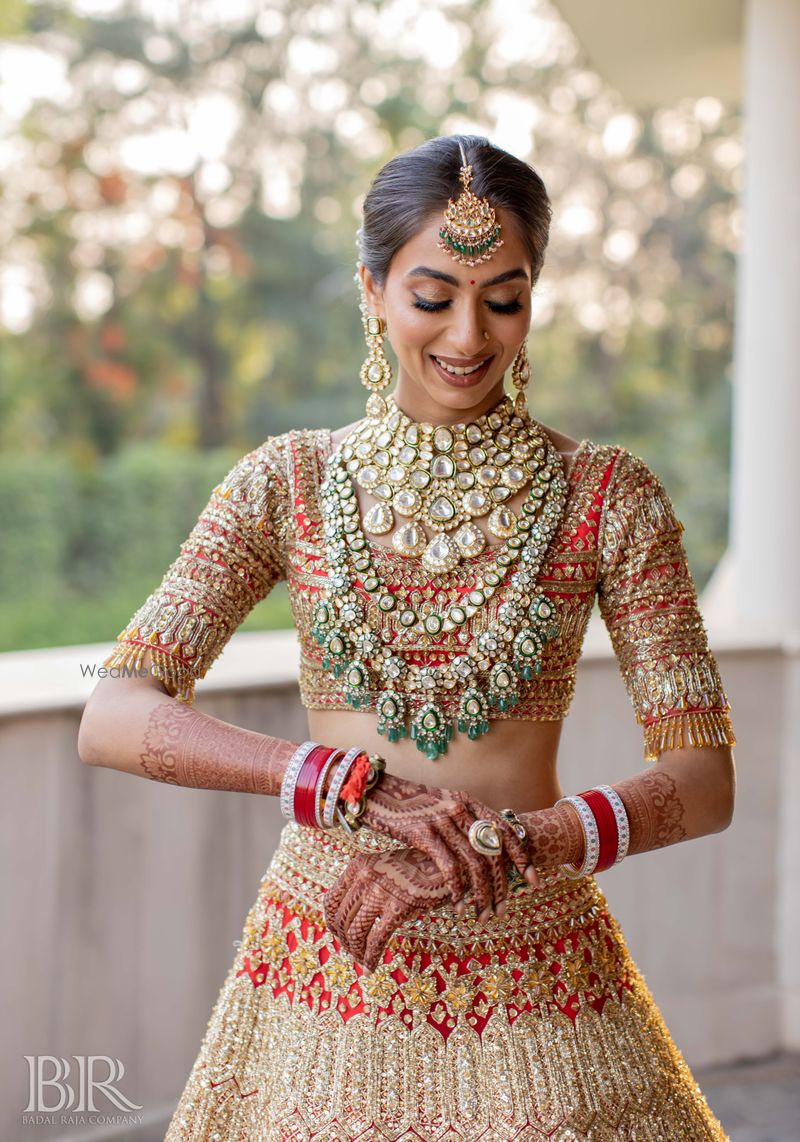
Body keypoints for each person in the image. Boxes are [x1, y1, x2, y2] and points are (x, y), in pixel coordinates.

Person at [78, 134, 737, 1140]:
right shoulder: (286, 483)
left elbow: (701, 777)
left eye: (503, 298)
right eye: (432, 296)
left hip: (532, 960)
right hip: (330, 950)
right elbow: (115, 712)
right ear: (372, 288)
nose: (468, 334)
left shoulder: (605, 496)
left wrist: (520, 839)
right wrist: (341, 781)